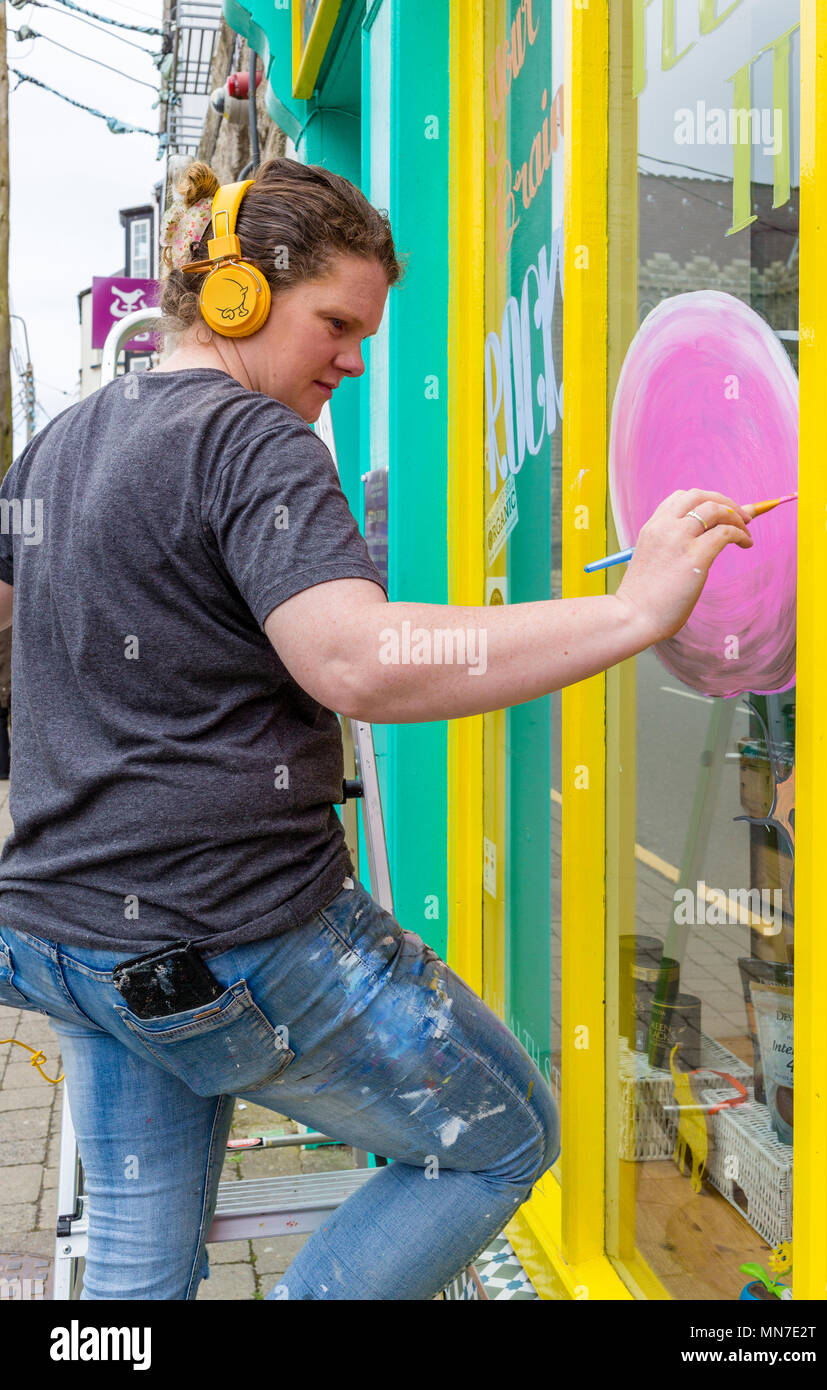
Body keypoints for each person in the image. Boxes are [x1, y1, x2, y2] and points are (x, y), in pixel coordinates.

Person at [0, 157, 755, 1301]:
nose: (353, 362)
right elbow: (356, 659)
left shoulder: (61, 441)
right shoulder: (248, 439)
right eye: (336, 324)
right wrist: (632, 610)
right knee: (498, 1138)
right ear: (238, 296)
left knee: (134, 1279)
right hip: (230, 940)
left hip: (70, 944)